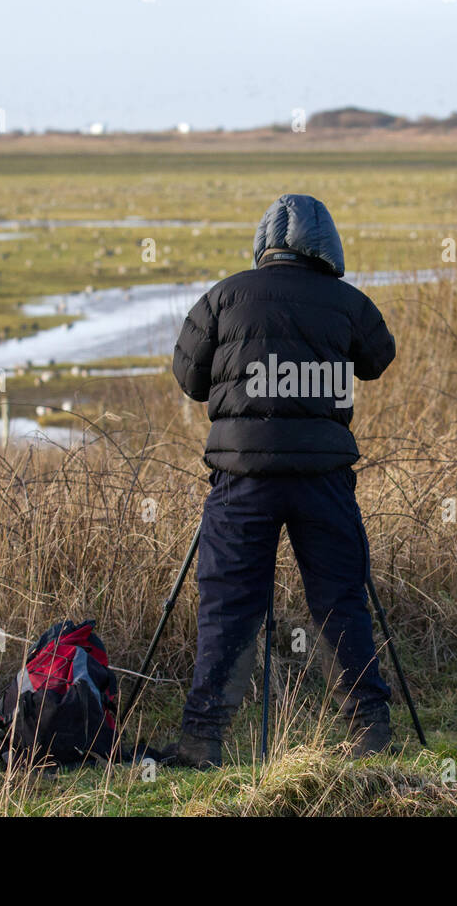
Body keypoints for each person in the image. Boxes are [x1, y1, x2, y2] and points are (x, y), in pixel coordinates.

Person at [163, 193, 397, 767]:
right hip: (323, 478)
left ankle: (203, 740)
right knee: (340, 599)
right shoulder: (348, 302)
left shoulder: (223, 296)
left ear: (264, 244)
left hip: (241, 478)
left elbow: (188, 378)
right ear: (327, 245)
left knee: (228, 603)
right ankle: (369, 728)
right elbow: (379, 357)